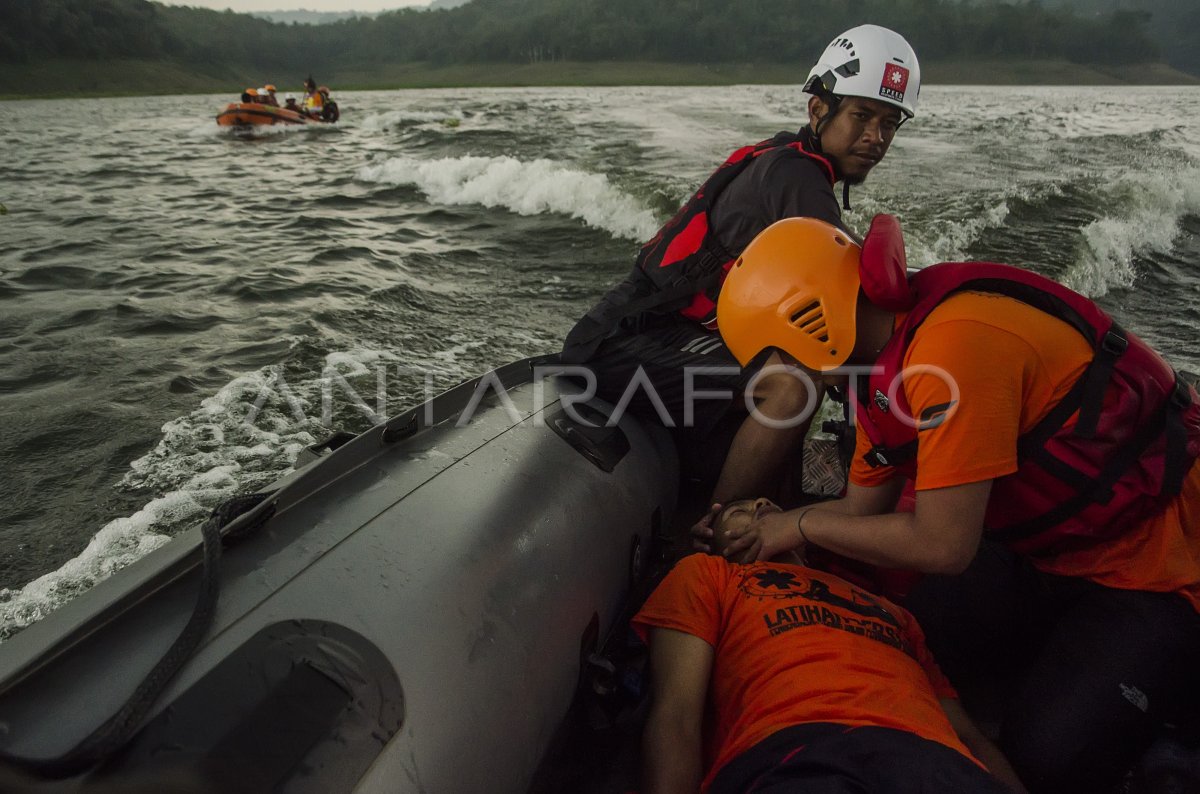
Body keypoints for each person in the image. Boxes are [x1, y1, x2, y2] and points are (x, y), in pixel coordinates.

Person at [711, 214, 1200, 793]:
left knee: (1047, 759)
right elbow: (863, 513)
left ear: (808, 323)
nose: (785, 374)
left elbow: (944, 545)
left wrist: (795, 524)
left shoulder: (954, 345)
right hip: (1052, 554)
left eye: (781, 356)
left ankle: (1175, 720)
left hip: (1158, 564)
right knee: (913, 635)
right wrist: (777, 526)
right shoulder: (876, 366)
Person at [560, 25, 921, 506]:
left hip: (662, 335)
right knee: (793, 388)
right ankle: (719, 535)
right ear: (818, 109)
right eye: (862, 116)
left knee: (798, 360)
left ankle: (775, 508)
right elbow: (855, 298)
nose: (875, 137)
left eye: (890, 124)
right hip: (623, 342)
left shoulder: (787, 160)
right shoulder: (797, 177)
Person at [635, 497, 1025, 793]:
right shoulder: (709, 574)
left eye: (769, 504)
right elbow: (677, 715)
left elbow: (969, 735)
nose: (761, 505)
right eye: (739, 511)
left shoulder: (890, 611)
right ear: (715, 543)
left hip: (932, 757)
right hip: (801, 748)